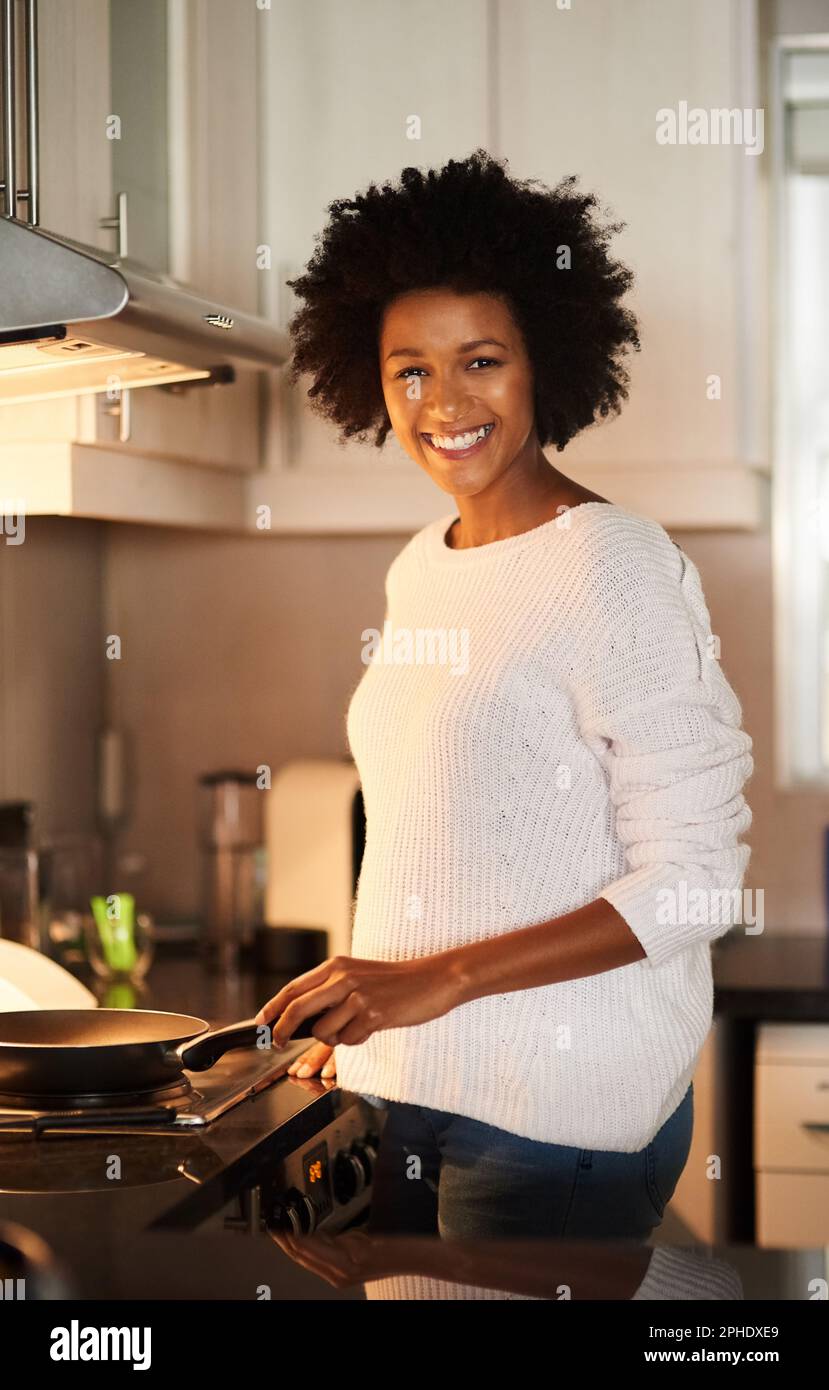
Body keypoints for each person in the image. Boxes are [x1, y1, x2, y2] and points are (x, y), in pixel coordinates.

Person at [255, 150, 754, 1240]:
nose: (445, 404)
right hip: (408, 1086)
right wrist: (369, 1012)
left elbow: (697, 882)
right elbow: (436, 835)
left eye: (480, 360)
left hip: (552, 1114)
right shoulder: (422, 561)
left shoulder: (613, 564)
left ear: (545, 363)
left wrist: (430, 981)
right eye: (409, 371)